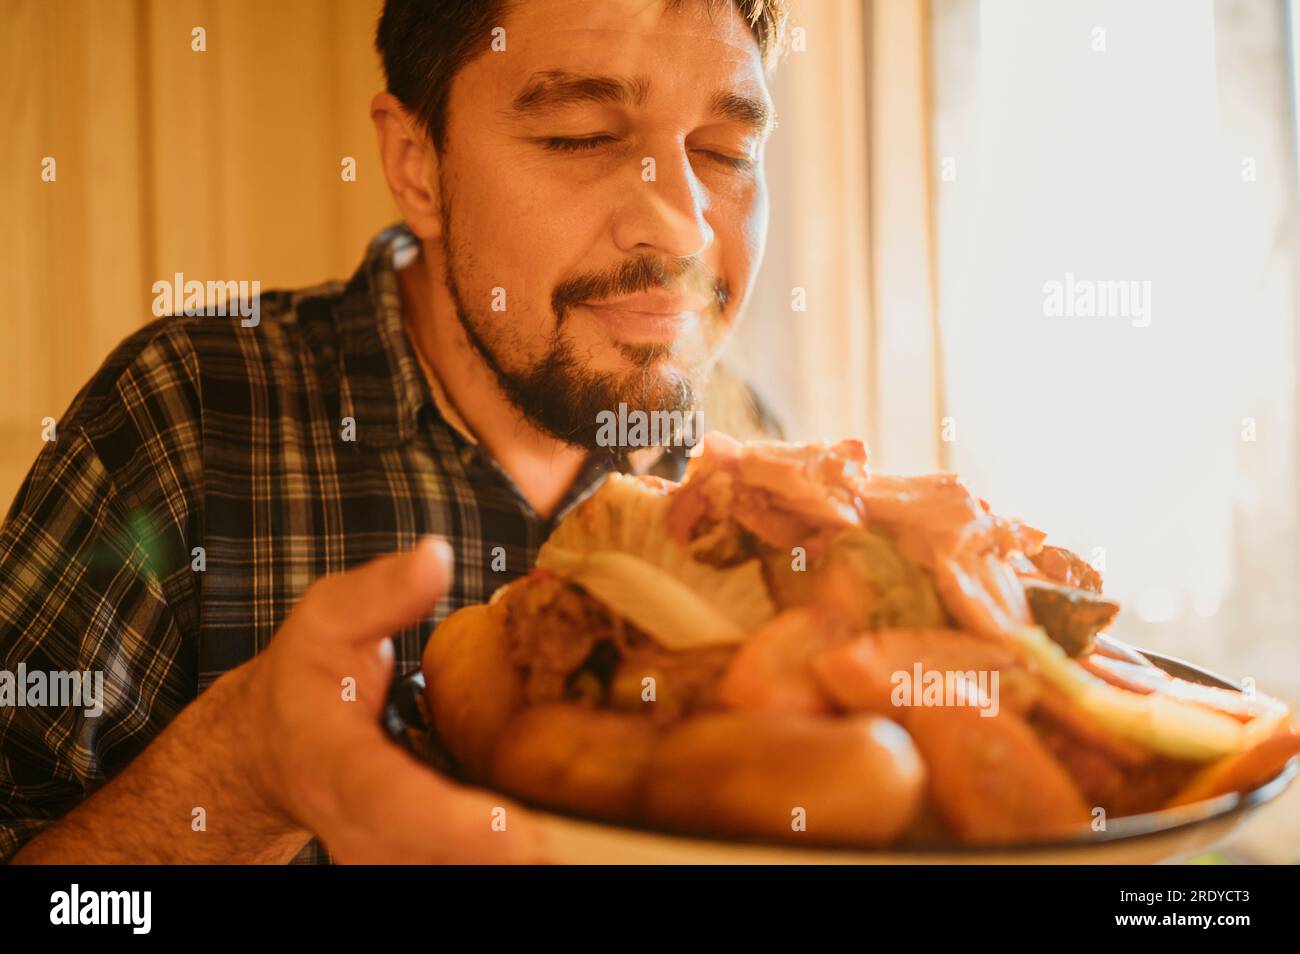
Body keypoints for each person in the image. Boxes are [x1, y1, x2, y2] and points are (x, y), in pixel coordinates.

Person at [0, 0, 786, 863]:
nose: (682, 224)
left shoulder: (750, 466)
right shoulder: (183, 415)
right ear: (416, 166)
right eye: (581, 136)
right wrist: (237, 776)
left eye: (725, 153)